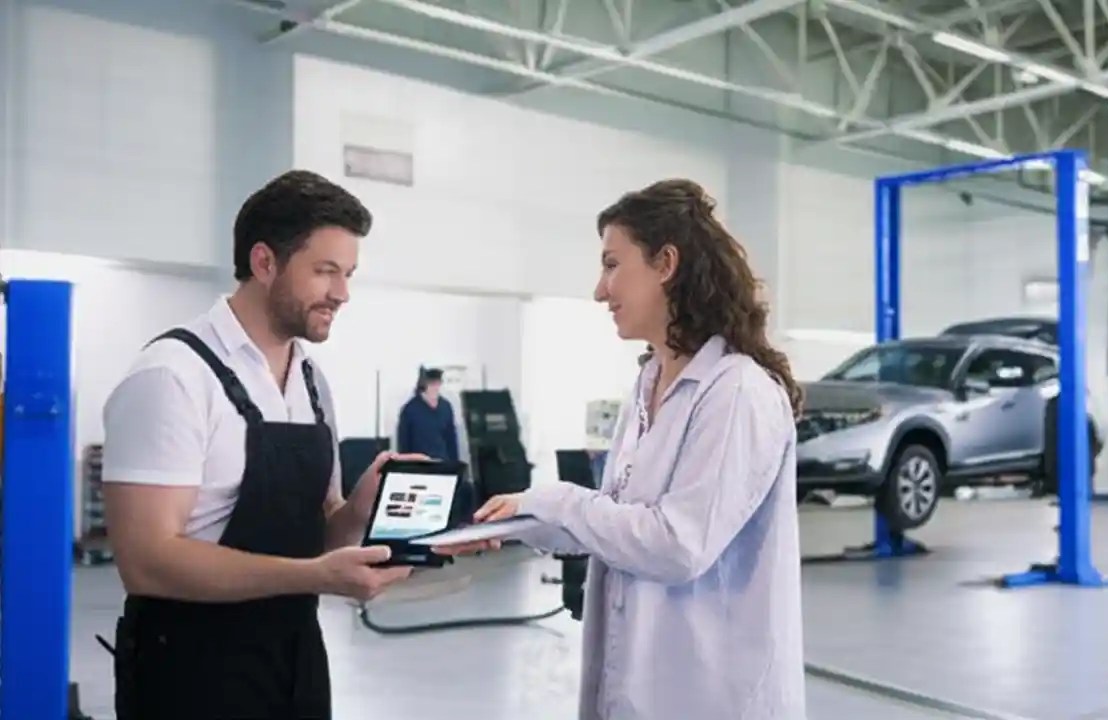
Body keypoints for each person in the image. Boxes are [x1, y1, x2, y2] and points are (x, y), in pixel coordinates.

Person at [437, 178, 808, 720]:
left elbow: (678, 544)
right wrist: (515, 520)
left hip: (708, 699)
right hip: (636, 694)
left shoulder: (737, 391)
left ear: (665, 264)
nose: (599, 290)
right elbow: (617, 522)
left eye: (612, 264)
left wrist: (561, 500)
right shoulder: (649, 383)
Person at [101, 170, 419, 720]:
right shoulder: (172, 376)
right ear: (264, 262)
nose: (342, 293)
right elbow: (146, 561)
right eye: (325, 271)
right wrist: (316, 577)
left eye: (348, 274)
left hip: (296, 661)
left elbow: (317, 534)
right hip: (189, 672)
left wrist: (359, 511)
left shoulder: (312, 383)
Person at [396, 366, 460, 461]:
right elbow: (404, 443)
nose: (435, 388)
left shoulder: (445, 407)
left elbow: (451, 440)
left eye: (438, 384)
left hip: (442, 463)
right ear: (424, 385)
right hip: (419, 464)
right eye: (432, 384)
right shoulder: (410, 410)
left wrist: (454, 465)